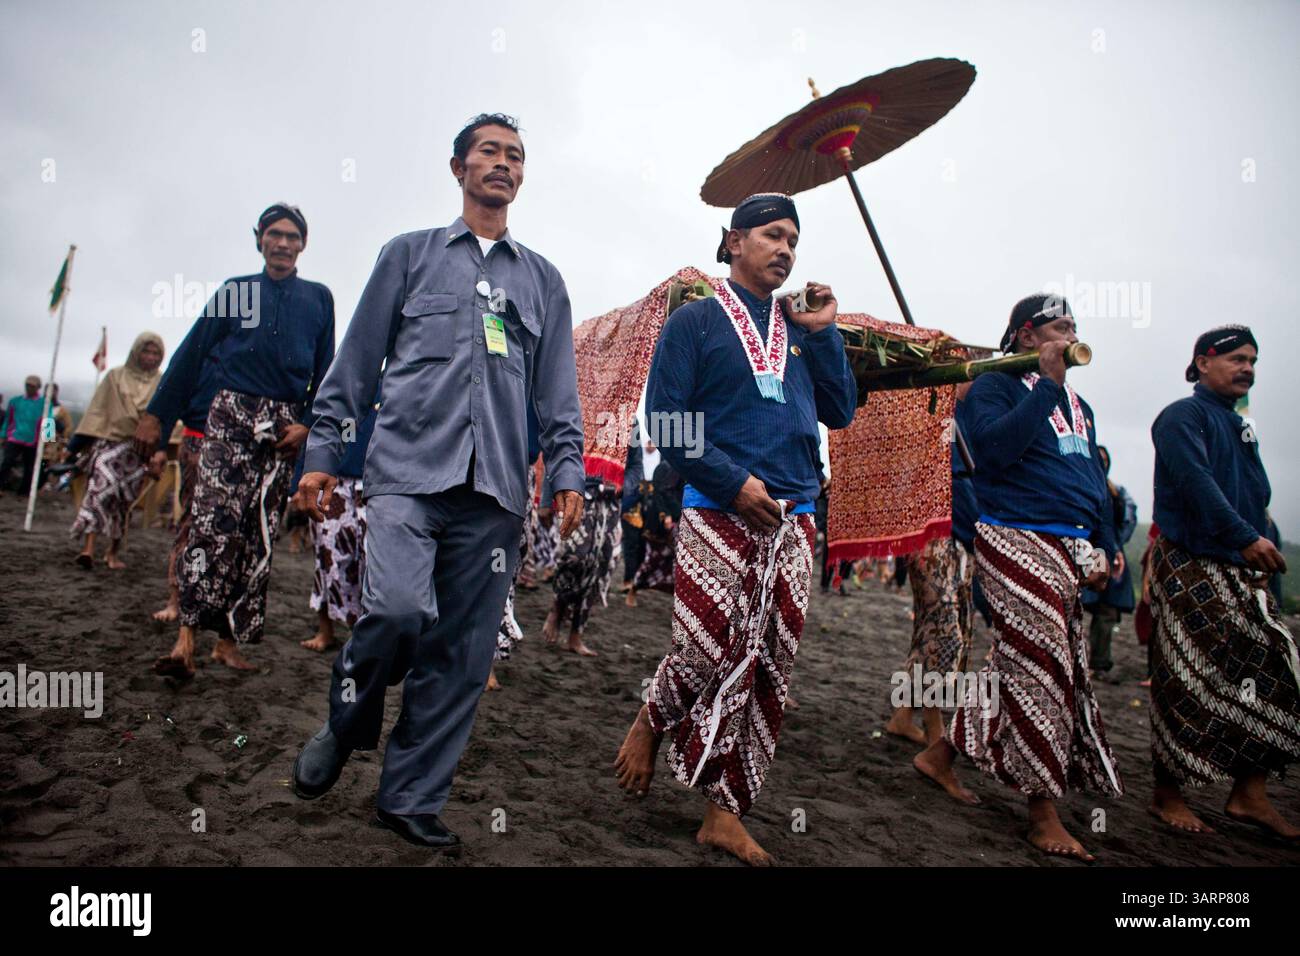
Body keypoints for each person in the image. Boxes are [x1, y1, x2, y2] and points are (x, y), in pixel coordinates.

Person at [290, 114, 585, 852]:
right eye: (489, 151)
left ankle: (409, 798)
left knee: (461, 656)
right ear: (458, 168)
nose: (503, 164)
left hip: (494, 498)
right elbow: (355, 365)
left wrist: (568, 469)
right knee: (392, 611)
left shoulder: (544, 281)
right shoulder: (409, 256)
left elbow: (558, 391)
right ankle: (347, 720)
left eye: (515, 155)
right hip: (408, 476)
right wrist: (323, 451)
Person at [614, 193, 857, 865]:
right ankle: (651, 718)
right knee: (704, 649)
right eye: (772, 235)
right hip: (718, 507)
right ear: (733, 241)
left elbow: (840, 413)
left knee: (771, 664)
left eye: (794, 242)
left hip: (796, 515)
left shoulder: (802, 331)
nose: (785, 249)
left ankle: (725, 811)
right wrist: (731, 481)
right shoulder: (695, 320)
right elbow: (665, 423)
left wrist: (827, 331)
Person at [913, 293, 1121, 862]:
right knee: (1042, 665)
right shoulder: (995, 386)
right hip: (1015, 535)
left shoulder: (1081, 406)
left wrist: (1106, 543)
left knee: (1024, 658)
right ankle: (1041, 809)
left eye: (1075, 325)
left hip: (1071, 543)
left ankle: (940, 756)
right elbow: (995, 452)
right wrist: (1047, 386)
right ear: (1028, 336)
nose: (1071, 333)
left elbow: (1091, 478)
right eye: (1060, 326)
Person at [143, 202, 336, 676]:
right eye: (275, 234)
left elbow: (326, 371)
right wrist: (156, 414)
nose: (284, 243)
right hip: (229, 419)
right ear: (260, 240)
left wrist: (309, 423)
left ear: (303, 244)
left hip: (284, 430)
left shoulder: (319, 299)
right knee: (209, 525)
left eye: (293, 236)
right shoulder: (236, 291)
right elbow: (191, 353)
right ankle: (184, 641)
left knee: (259, 534)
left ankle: (227, 644)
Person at [1147, 325, 1300, 838]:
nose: (1248, 369)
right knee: (1185, 674)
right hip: (1191, 562)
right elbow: (1196, 483)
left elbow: (1255, 491)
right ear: (1203, 362)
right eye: (1236, 358)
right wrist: (1243, 536)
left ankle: (1249, 794)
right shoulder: (1181, 416)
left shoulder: (1239, 425)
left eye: (1253, 360)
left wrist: (1257, 538)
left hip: (1242, 566)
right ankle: (1168, 793)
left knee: (1274, 669)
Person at [886, 382, 977, 747]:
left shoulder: (971, 418)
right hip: (930, 533)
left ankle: (902, 716)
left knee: (939, 628)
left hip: (964, 534)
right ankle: (936, 728)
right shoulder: (928, 414)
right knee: (944, 630)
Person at [69, 334, 166, 569]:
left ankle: (112, 552)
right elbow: (97, 411)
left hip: (140, 451)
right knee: (98, 492)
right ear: (135, 352)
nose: (150, 358)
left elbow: (166, 418)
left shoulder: (163, 383)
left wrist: (159, 452)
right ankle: (88, 548)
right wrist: (72, 448)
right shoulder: (115, 376)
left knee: (123, 503)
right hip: (110, 445)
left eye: (155, 353)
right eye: (146, 352)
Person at [302, 394, 379, 653]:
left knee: (375, 563)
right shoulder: (343, 388)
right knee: (329, 557)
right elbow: (319, 430)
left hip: (377, 485)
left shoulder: (395, 382)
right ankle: (325, 631)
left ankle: (369, 635)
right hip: (335, 483)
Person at [151, 360, 220, 622]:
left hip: (240, 447)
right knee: (192, 522)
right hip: (196, 441)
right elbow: (172, 398)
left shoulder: (249, 349)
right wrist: (160, 447)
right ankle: (176, 599)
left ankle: (207, 602)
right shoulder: (204, 350)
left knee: (224, 530)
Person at [541, 472, 621, 656]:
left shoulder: (631, 441)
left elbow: (634, 466)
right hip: (577, 494)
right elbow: (556, 454)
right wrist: (546, 500)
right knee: (574, 557)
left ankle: (575, 635)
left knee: (601, 567)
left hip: (610, 503)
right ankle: (558, 605)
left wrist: (624, 487)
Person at [1080, 445, 1137, 677]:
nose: (1102, 462)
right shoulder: (1084, 485)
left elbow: (1127, 522)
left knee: (1107, 613)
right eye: (1098, 458)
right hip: (1083, 553)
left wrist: (1114, 548)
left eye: (1105, 459)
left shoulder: (1118, 493)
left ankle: (1099, 663)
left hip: (1112, 558)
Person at [627, 459, 682, 601]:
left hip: (677, 518)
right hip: (660, 521)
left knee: (676, 561)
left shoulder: (681, 465)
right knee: (652, 559)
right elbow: (659, 493)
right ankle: (634, 588)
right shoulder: (665, 466)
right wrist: (666, 514)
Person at [0, 375, 45, 495]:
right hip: (14, 437)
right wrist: (3, 435)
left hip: (32, 440)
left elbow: (49, 421)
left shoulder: (44, 403)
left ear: (38, 387)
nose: (29, 388)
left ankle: (24, 492)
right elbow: (8, 420)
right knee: (7, 462)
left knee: (29, 467)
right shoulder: (15, 401)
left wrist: (48, 441)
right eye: (27, 385)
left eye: (32, 386)